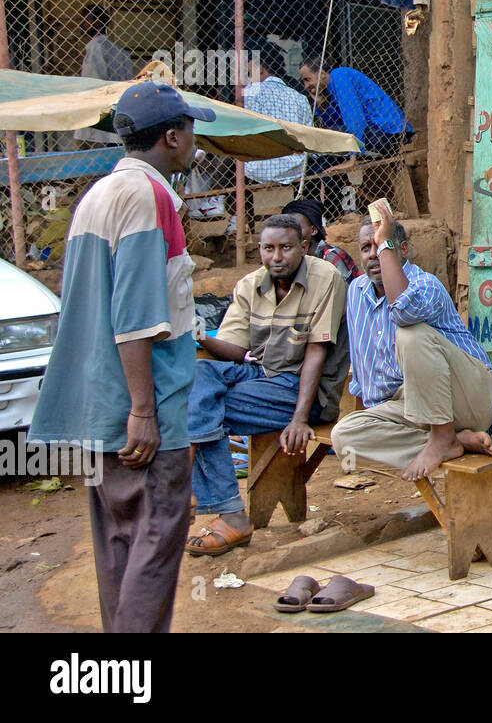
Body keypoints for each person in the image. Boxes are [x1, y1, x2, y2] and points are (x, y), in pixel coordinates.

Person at [28, 82, 215, 633]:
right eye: (192, 130)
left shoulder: (97, 196)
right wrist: (144, 410)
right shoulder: (146, 197)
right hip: (142, 410)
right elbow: (135, 318)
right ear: (173, 136)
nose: (196, 141)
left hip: (100, 410)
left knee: (119, 546)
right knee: (156, 541)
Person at [186, 214, 348, 555]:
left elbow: (316, 354)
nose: (277, 257)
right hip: (261, 377)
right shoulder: (249, 285)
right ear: (259, 250)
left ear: (303, 247)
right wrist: (200, 339)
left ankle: (214, 503)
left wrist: (300, 419)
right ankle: (216, 503)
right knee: (196, 377)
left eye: (286, 248)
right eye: (269, 249)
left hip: (306, 391)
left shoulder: (326, 278)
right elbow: (236, 349)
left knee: (200, 408)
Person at [330, 203, 492, 481]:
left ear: (402, 250)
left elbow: (403, 312)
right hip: (414, 405)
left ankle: (443, 436)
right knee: (344, 437)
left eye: (383, 246)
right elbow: (363, 368)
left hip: (468, 398)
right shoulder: (356, 291)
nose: (374, 255)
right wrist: (377, 420)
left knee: (410, 333)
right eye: (367, 248)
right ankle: (454, 441)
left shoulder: (425, 285)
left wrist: (384, 241)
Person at [299, 58, 412, 158]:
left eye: (307, 79)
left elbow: (355, 118)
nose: (306, 86)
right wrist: (320, 103)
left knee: (323, 135)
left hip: (389, 134)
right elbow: (332, 122)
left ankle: (356, 155)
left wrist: (354, 157)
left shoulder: (339, 76)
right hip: (378, 134)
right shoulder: (330, 90)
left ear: (321, 73)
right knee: (325, 133)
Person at [244, 40, 312, 185]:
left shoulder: (249, 93)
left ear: (260, 69)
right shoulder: (300, 98)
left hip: (257, 168)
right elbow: (309, 137)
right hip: (295, 167)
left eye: (250, 73)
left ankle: (219, 200)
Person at [284, 197, 361, 282]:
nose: (290, 233)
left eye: (296, 228)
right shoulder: (293, 257)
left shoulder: (331, 257)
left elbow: (344, 292)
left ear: (313, 230)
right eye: (286, 228)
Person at [79, 4, 134, 81]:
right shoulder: (121, 52)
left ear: (98, 22)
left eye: (85, 20)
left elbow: (92, 82)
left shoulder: (95, 48)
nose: (81, 24)